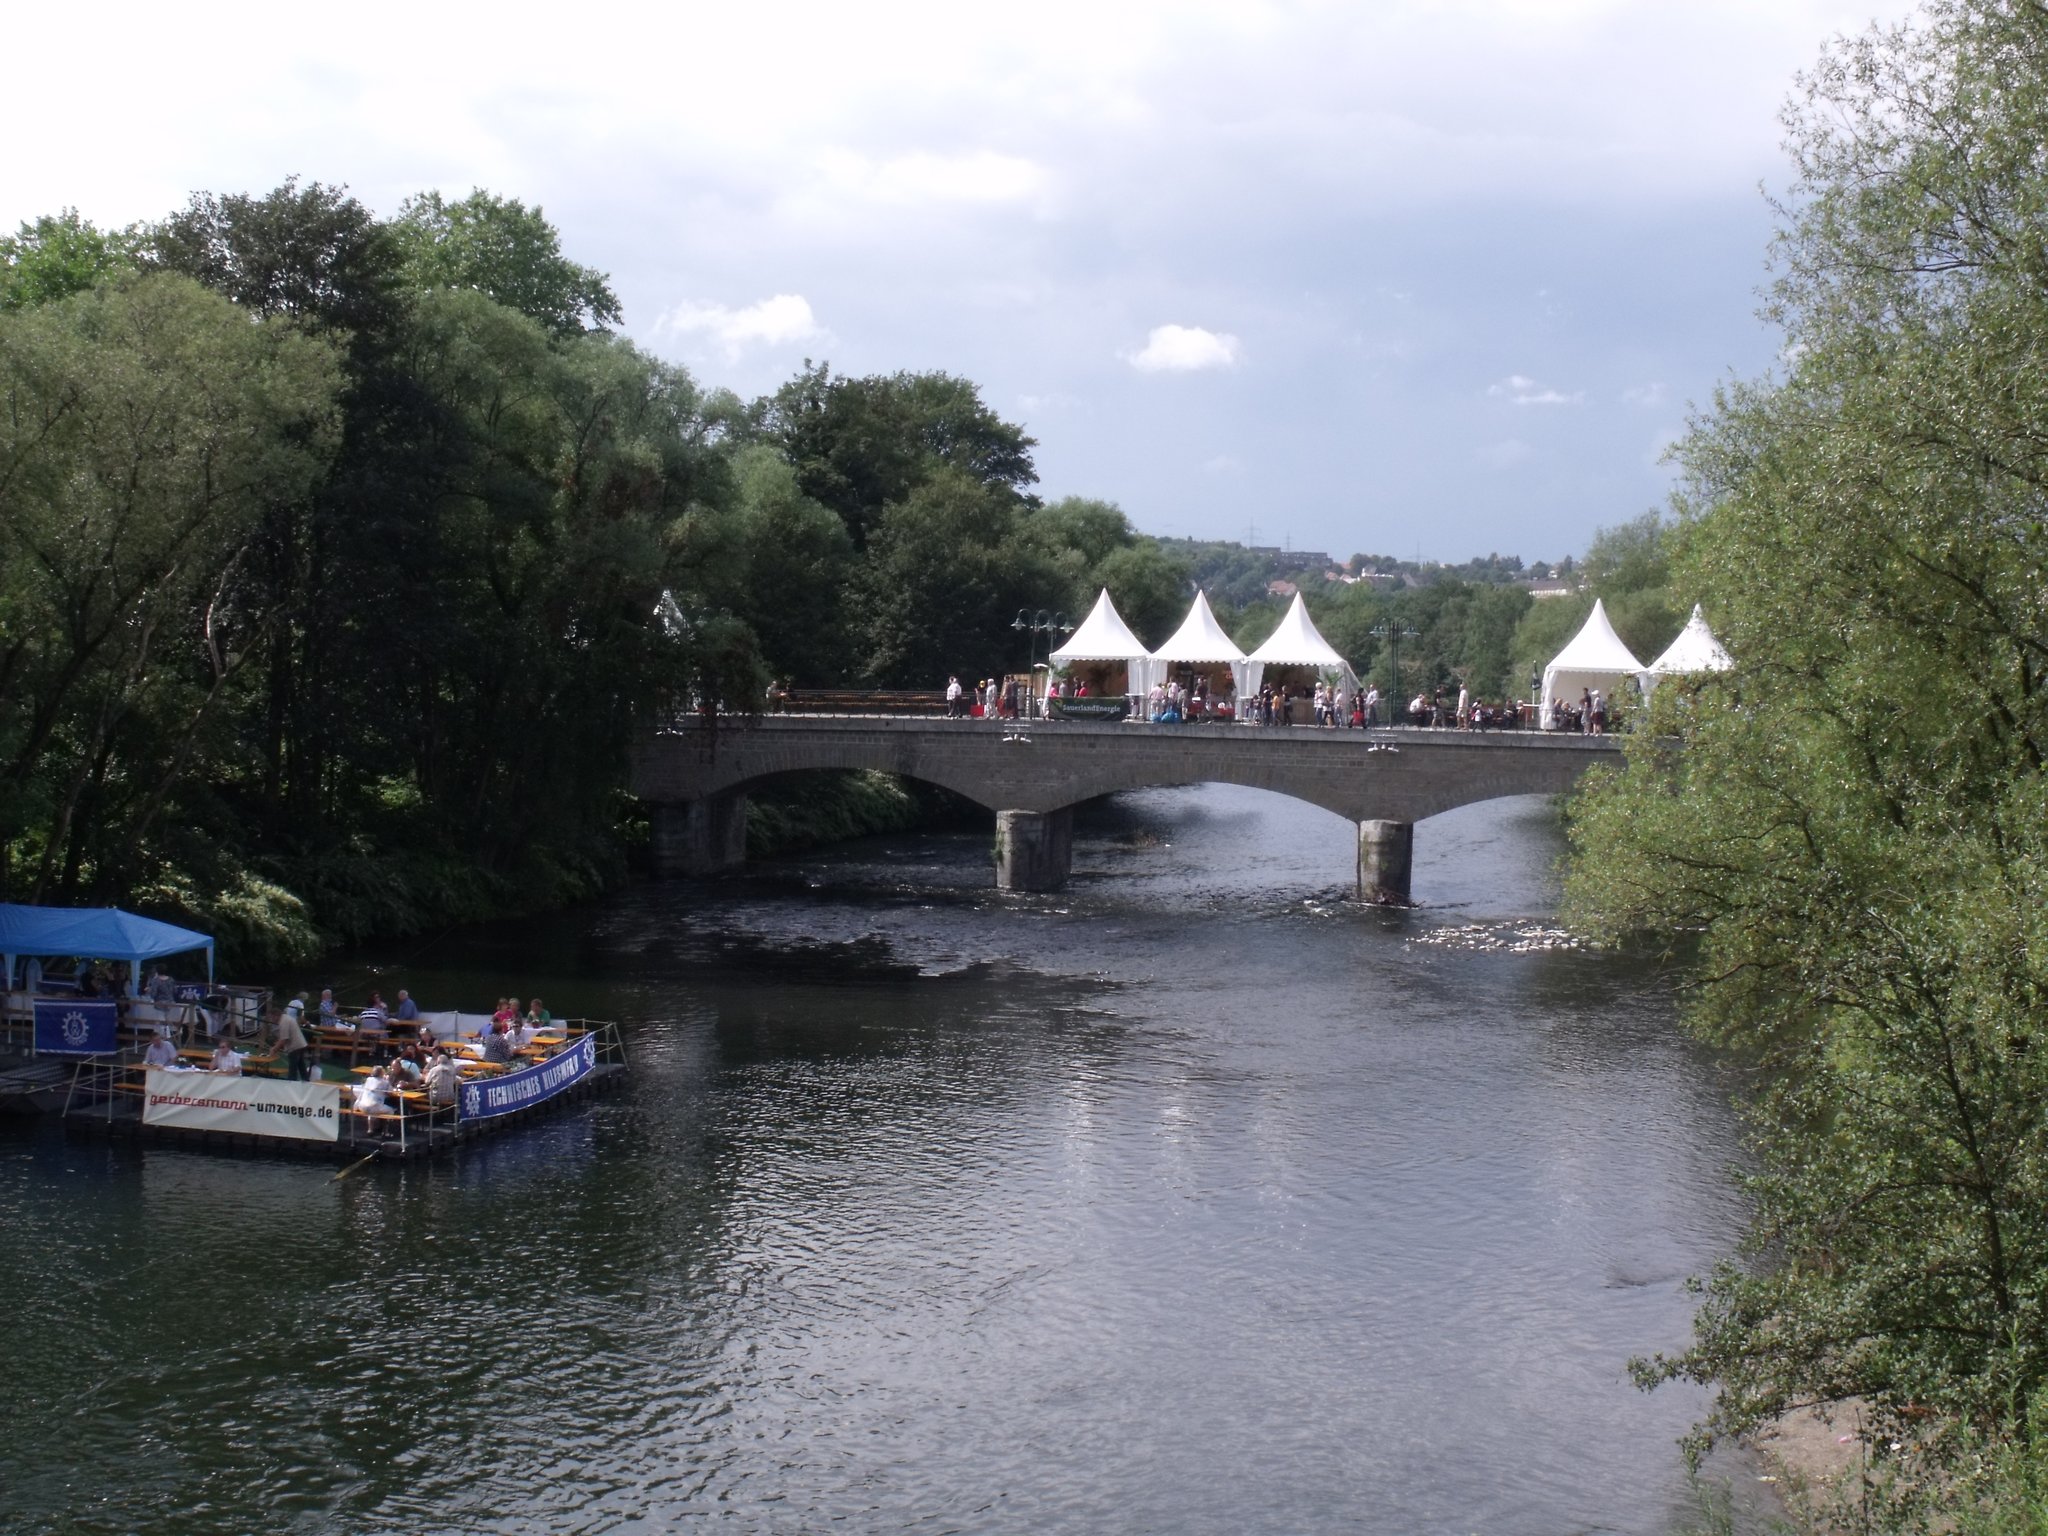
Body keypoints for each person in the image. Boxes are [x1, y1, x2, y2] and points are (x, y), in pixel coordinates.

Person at [274, 995, 311, 1081]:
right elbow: (283, 1037)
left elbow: (284, 1039)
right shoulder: (285, 1019)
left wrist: (274, 1049)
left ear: (275, 1015)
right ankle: (306, 1082)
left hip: (295, 1046)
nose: (271, 1019)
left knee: (293, 1069)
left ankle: (292, 1085)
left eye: (272, 1017)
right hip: (301, 1044)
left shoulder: (284, 1020)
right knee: (301, 1066)